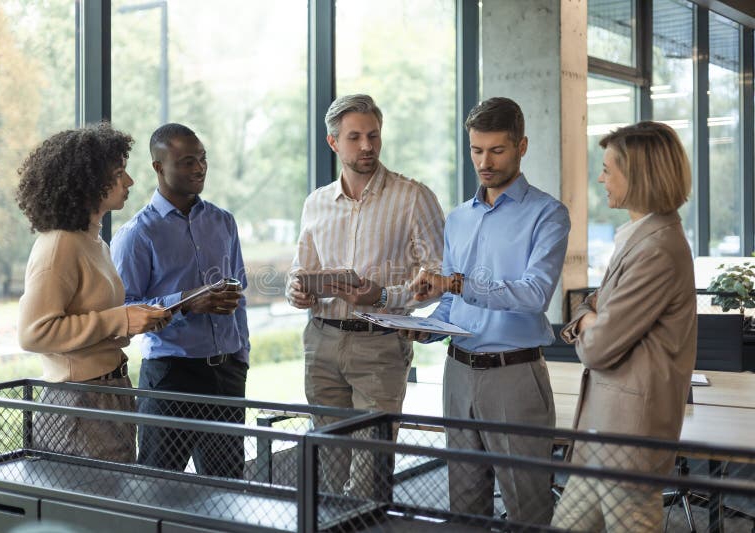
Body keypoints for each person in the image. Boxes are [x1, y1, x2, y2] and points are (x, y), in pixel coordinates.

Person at [403, 97, 570, 525]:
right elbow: (451, 302)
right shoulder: (458, 218)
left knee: (528, 507)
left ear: (521, 146)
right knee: (464, 507)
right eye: (476, 150)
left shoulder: (548, 214)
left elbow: (535, 294)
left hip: (514, 377)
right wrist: (427, 328)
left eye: (496, 150)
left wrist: (455, 284)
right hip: (458, 374)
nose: (484, 162)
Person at [287, 94, 445, 495]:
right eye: (354, 137)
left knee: (369, 478)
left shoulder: (413, 197)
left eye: (373, 135)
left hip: (380, 346)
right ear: (333, 142)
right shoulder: (316, 203)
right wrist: (297, 291)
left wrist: (383, 296)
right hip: (321, 343)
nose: (367, 146)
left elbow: (440, 277)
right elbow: (300, 270)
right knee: (328, 471)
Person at [551, 121, 696, 532]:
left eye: (607, 169)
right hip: (604, 432)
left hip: (628, 437)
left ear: (638, 175)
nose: (601, 179)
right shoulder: (640, 238)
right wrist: (591, 315)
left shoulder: (656, 249)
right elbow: (591, 308)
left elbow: (597, 347)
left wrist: (588, 317)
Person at [16, 123, 171, 462]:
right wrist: (120, 319)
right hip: (79, 402)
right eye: (118, 174)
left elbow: (97, 319)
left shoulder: (94, 242)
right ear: (86, 183)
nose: (129, 181)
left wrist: (134, 321)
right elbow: (32, 333)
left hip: (108, 392)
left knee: (115, 490)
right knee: (98, 495)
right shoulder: (59, 245)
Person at [111, 123, 249, 478]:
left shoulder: (223, 222)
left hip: (226, 376)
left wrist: (241, 358)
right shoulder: (136, 234)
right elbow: (124, 311)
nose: (199, 168)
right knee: (157, 485)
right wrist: (184, 302)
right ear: (158, 167)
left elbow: (240, 295)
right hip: (171, 378)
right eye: (187, 161)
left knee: (227, 487)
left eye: (202, 159)